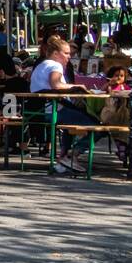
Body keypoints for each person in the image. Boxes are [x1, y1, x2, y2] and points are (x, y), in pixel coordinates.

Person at [29, 34, 99, 174]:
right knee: (98, 127)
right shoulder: (55, 65)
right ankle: (71, 155)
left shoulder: (40, 65)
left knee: (70, 125)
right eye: (66, 53)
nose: (69, 57)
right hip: (53, 110)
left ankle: (63, 157)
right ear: (55, 53)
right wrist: (77, 87)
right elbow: (56, 84)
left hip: (37, 111)